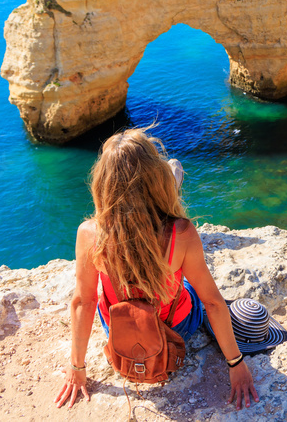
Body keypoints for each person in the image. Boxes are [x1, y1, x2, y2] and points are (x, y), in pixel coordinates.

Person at [54, 128, 260, 410]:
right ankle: (171, 186)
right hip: (175, 329)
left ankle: (166, 185)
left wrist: (77, 367)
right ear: (154, 177)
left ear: (102, 183)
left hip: (119, 329)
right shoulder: (182, 232)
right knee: (190, 289)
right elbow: (213, 302)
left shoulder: (89, 234)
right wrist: (235, 364)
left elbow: (84, 301)